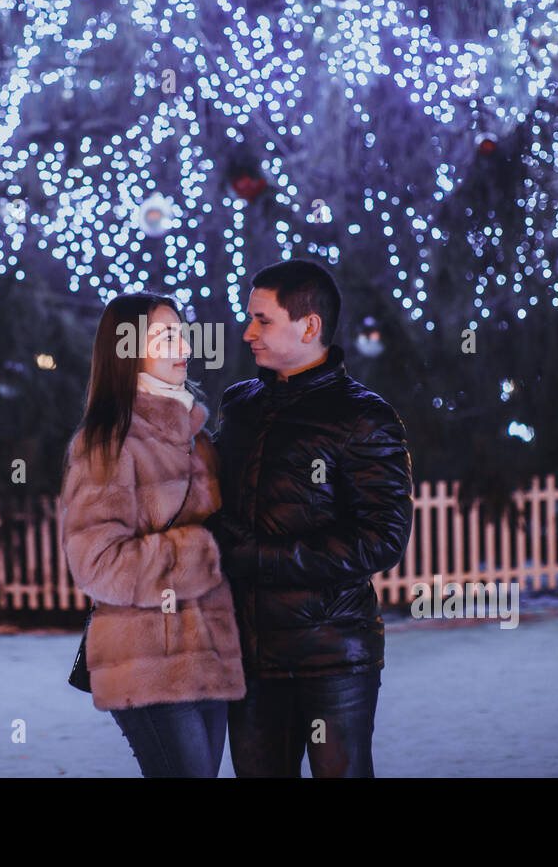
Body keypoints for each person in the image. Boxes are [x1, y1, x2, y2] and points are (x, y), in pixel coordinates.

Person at [201, 259, 414, 777]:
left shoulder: (363, 416)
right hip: (249, 657)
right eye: (247, 317)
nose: (247, 332)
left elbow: (381, 538)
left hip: (332, 657)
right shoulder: (240, 405)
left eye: (262, 320)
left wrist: (259, 559)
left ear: (309, 325)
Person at [59, 292, 246, 777]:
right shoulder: (106, 443)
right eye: (164, 337)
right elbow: (98, 562)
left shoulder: (196, 437)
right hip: (146, 662)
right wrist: (200, 552)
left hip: (210, 657)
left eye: (182, 333)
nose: (182, 345)